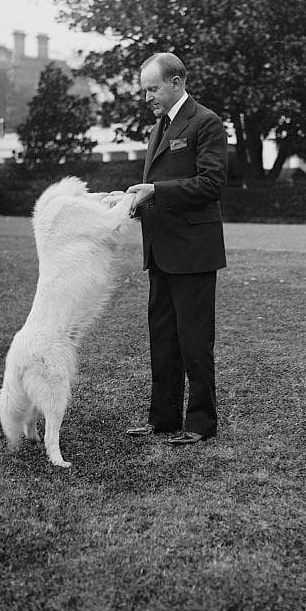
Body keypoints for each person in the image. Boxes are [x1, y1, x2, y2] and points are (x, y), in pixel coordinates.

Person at [125, 52, 228, 446]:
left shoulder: (206, 122)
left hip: (193, 252)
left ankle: (201, 424)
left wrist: (156, 192)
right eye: (145, 90)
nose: (147, 97)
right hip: (161, 251)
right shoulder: (160, 127)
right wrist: (139, 202)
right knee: (163, 337)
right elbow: (163, 187)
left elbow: (212, 184)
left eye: (152, 88)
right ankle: (163, 419)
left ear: (176, 83)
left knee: (194, 340)